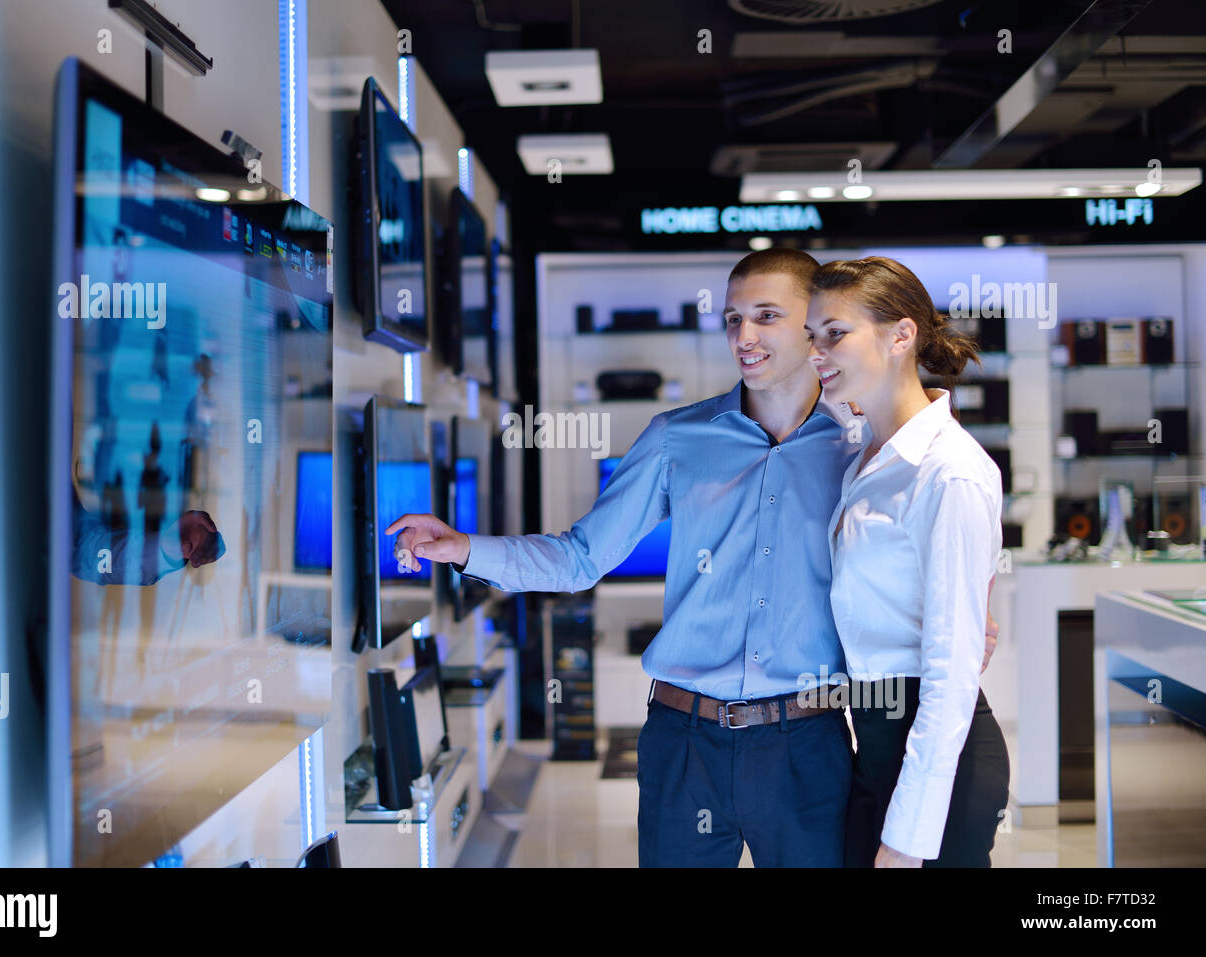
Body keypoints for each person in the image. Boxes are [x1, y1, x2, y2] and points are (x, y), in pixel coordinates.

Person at [387, 248, 998, 867]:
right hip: (683, 742)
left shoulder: (863, 446)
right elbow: (580, 558)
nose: (744, 336)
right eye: (733, 319)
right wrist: (464, 547)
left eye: (767, 317)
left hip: (808, 746)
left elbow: (928, 538)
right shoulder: (676, 438)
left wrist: (978, 602)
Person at [804, 256, 1010, 868]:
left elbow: (950, 670)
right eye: (812, 336)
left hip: (934, 756)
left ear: (901, 335)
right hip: (874, 738)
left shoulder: (949, 470)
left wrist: (906, 838)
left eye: (835, 334)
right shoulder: (865, 451)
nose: (817, 353)